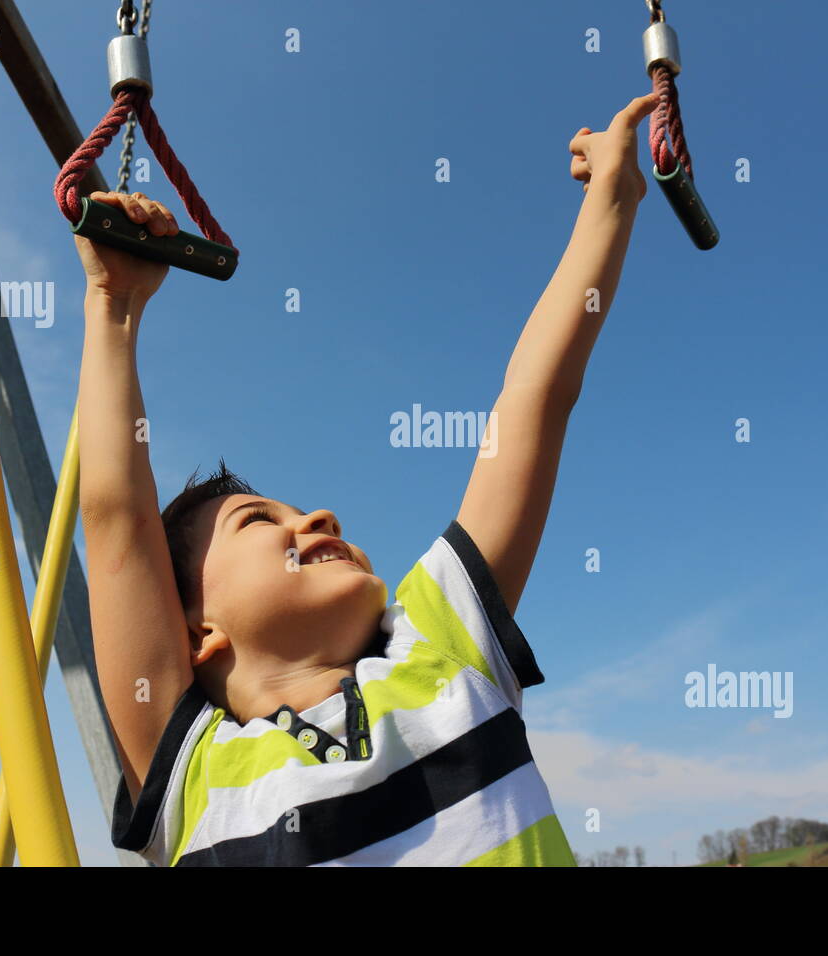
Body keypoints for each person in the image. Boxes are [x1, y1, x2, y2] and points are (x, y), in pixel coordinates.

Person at [75, 93, 661, 866]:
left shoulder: (440, 646)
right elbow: (118, 522)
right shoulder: (189, 773)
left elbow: (533, 401)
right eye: (259, 520)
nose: (320, 517)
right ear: (197, 634)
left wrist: (611, 203)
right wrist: (113, 305)